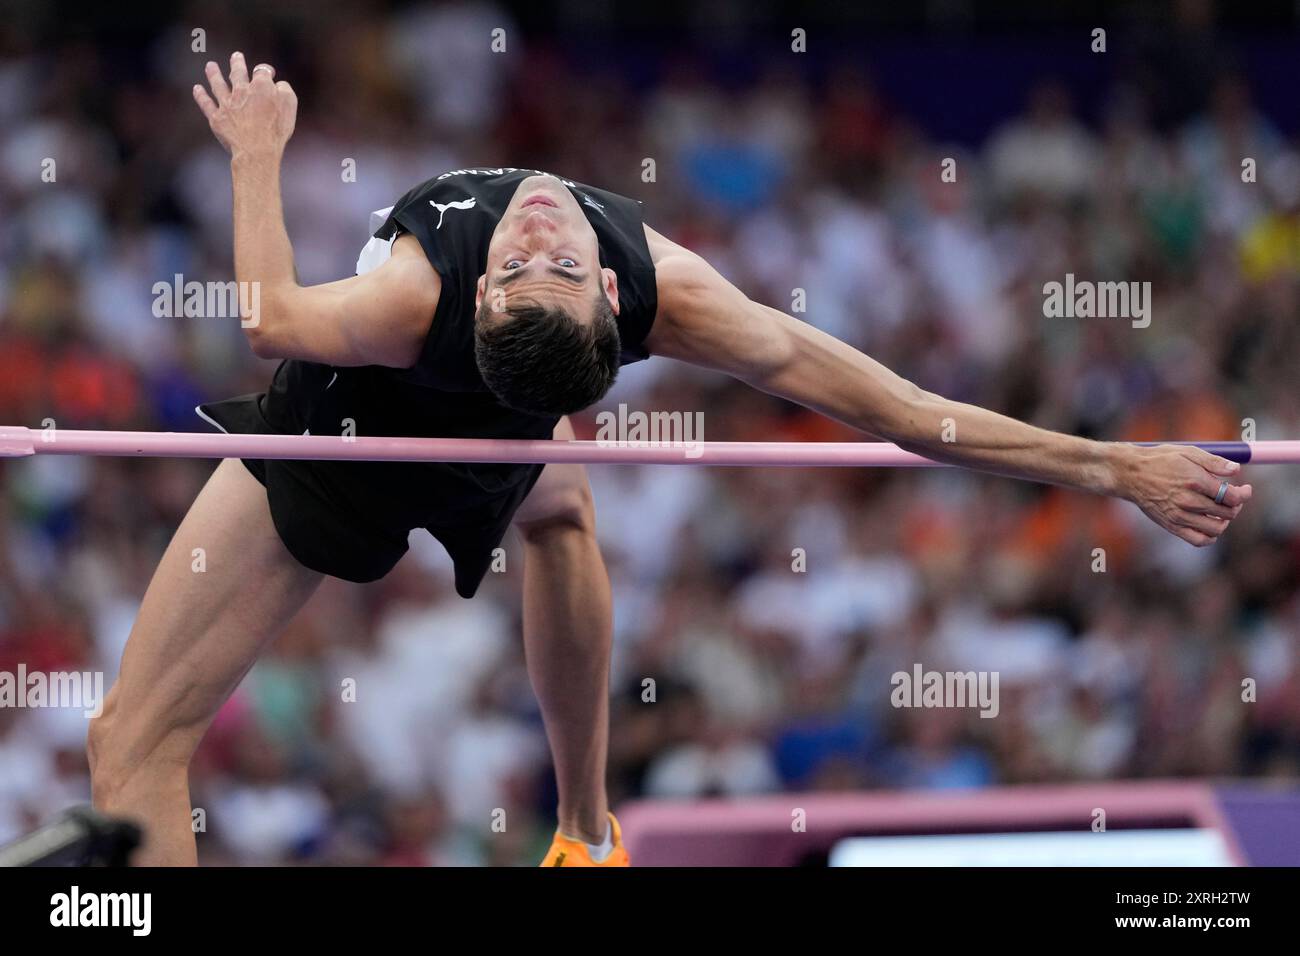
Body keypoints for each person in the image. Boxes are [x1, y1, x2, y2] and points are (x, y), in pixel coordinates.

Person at [87, 53, 1253, 867]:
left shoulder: (540, 293)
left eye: (538, 264)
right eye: (532, 263)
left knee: (138, 744)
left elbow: (905, 414)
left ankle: (586, 830)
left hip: (420, 441)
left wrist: (1113, 466)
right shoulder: (526, 286)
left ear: (608, 297)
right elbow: (276, 321)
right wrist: (1115, 462)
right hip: (409, 440)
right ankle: (587, 827)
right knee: (555, 506)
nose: (538, 233)